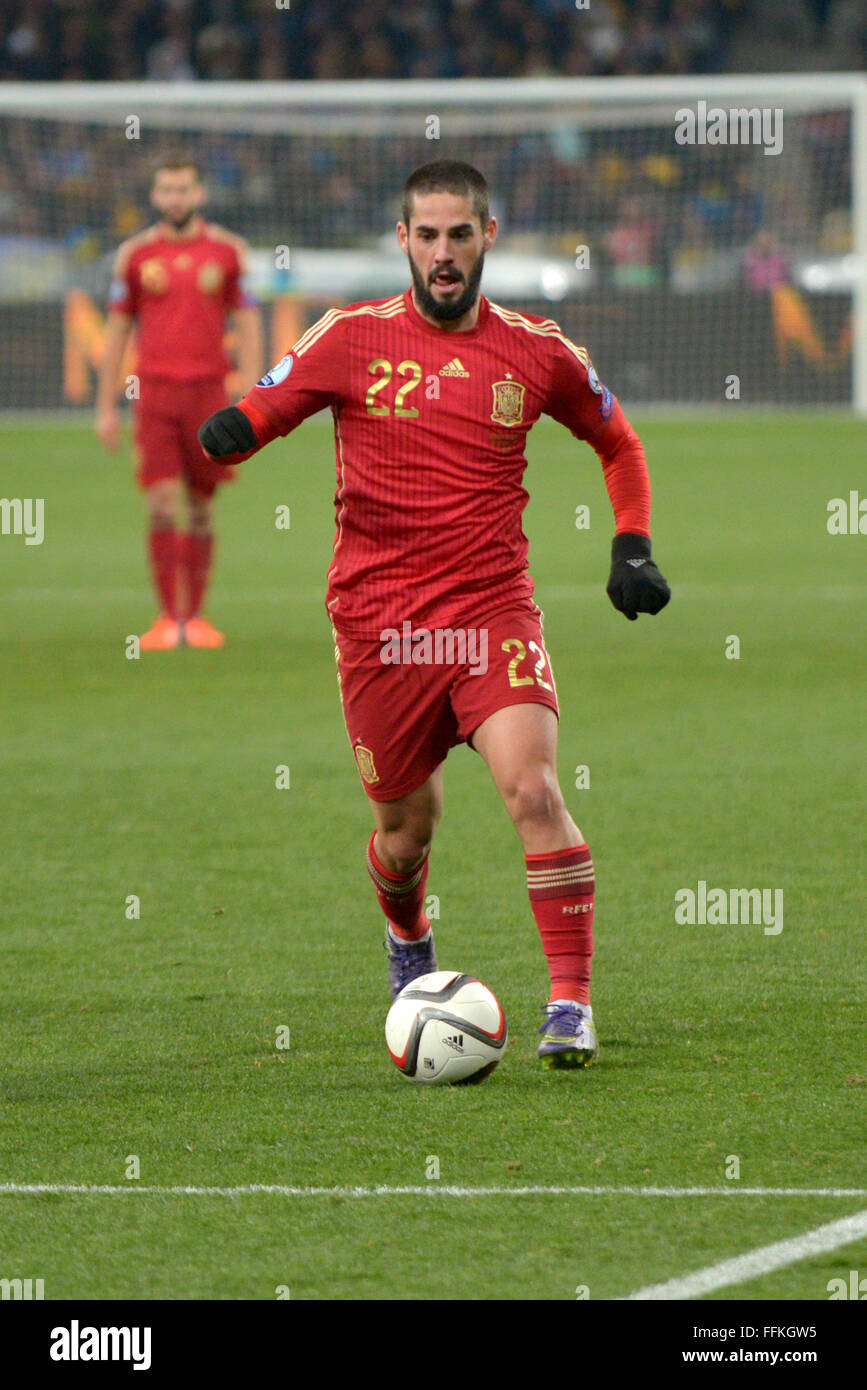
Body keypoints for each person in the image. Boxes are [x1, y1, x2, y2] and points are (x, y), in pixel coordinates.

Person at [198, 161, 670, 1068]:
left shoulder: (538, 351)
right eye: (427, 236)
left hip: (491, 612)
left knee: (533, 792)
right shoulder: (349, 337)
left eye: (460, 234)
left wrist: (631, 544)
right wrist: (237, 430)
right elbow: (266, 406)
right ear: (403, 240)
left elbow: (617, 440)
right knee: (404, 833)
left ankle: (569, 1005)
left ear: (488, 236)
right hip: (379, 629)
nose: (443, 254)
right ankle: (408, 938)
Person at [95, 158, 263, 649]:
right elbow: (117, 330)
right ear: (155, 196)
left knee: (201, 506)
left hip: (210, 395)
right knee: (162, 503)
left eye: (183, 188)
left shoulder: (229, 252)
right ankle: (169, 618)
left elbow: (249, 321)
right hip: (154, 395)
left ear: (199, 194)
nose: (175, 198)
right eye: (166, 189)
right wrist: (106, 406)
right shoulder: (135, 254)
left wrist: (253, 395)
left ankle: (198, 617)